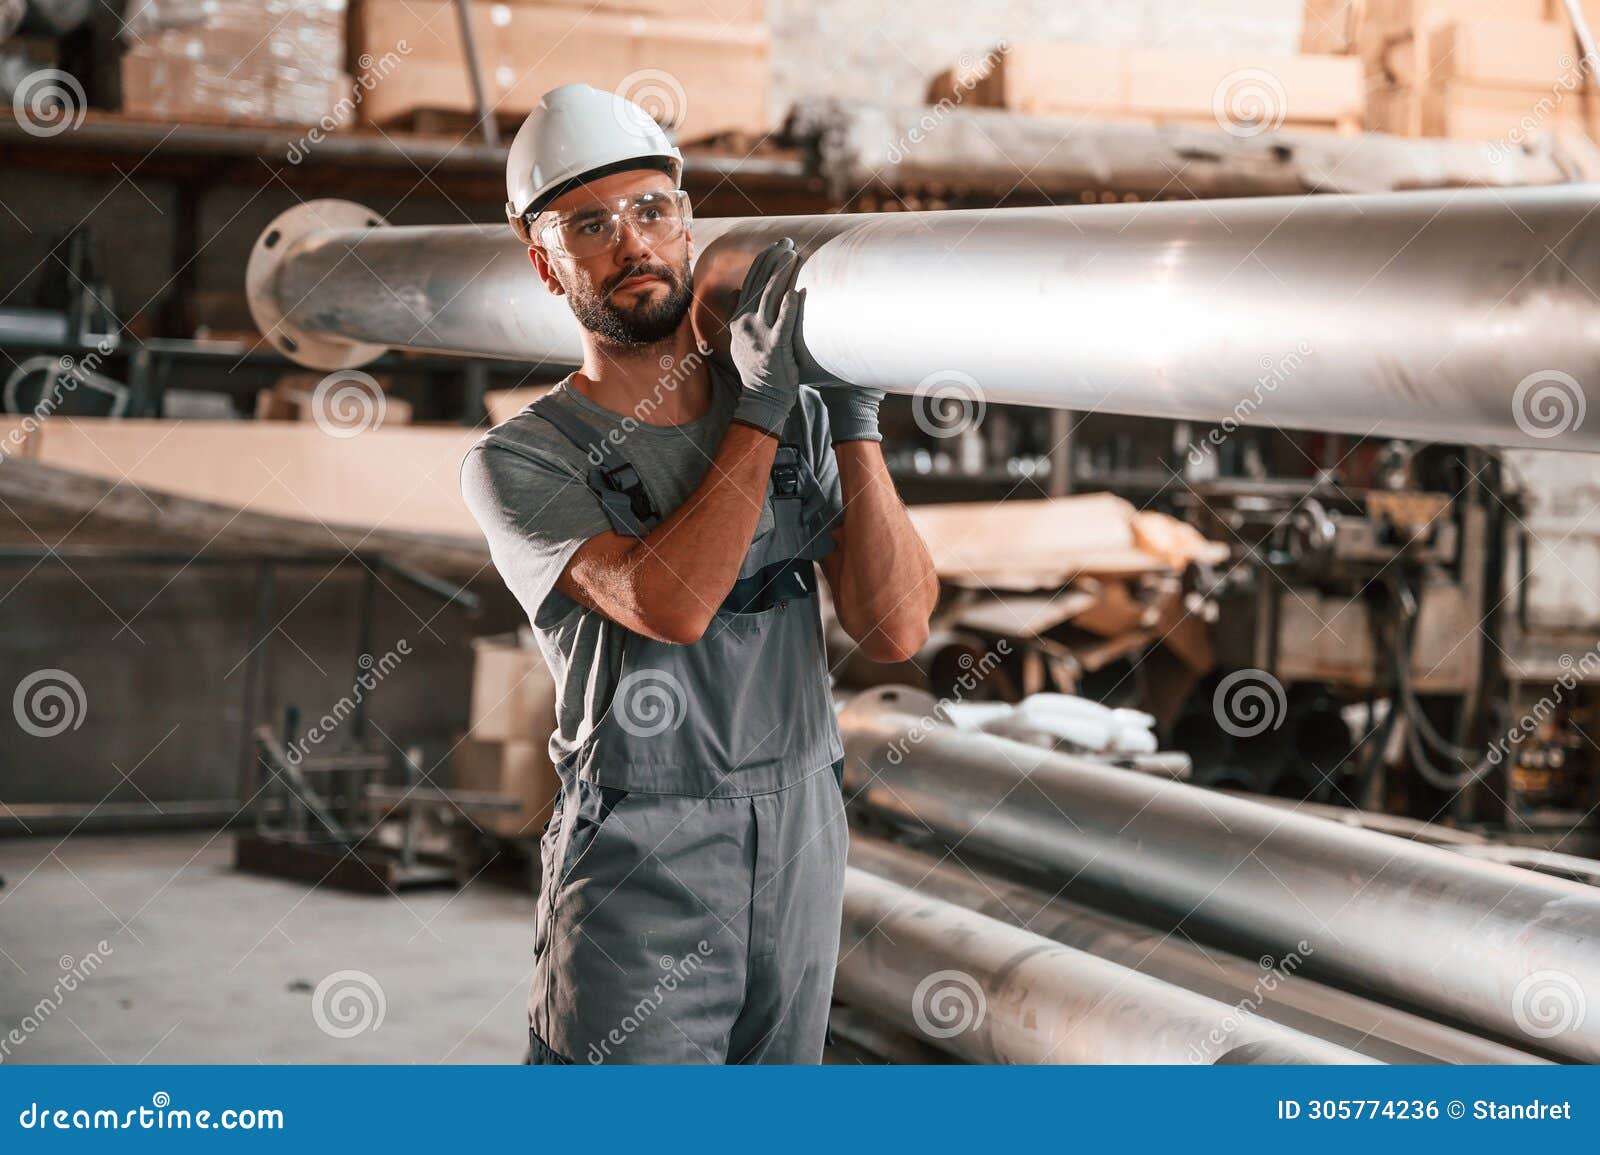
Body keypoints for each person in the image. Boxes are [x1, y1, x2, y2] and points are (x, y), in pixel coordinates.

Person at [460, 83, 938, 1064]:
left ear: (687, 226)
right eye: (588, 224)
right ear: (545, 264)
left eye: (652, 210)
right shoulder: (523, 459)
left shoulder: (788, 411)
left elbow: (894, 632)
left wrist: (851, 422)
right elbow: (668, 605)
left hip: (802, 825)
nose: (631, 243)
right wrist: (763, 409)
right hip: (645, 843)